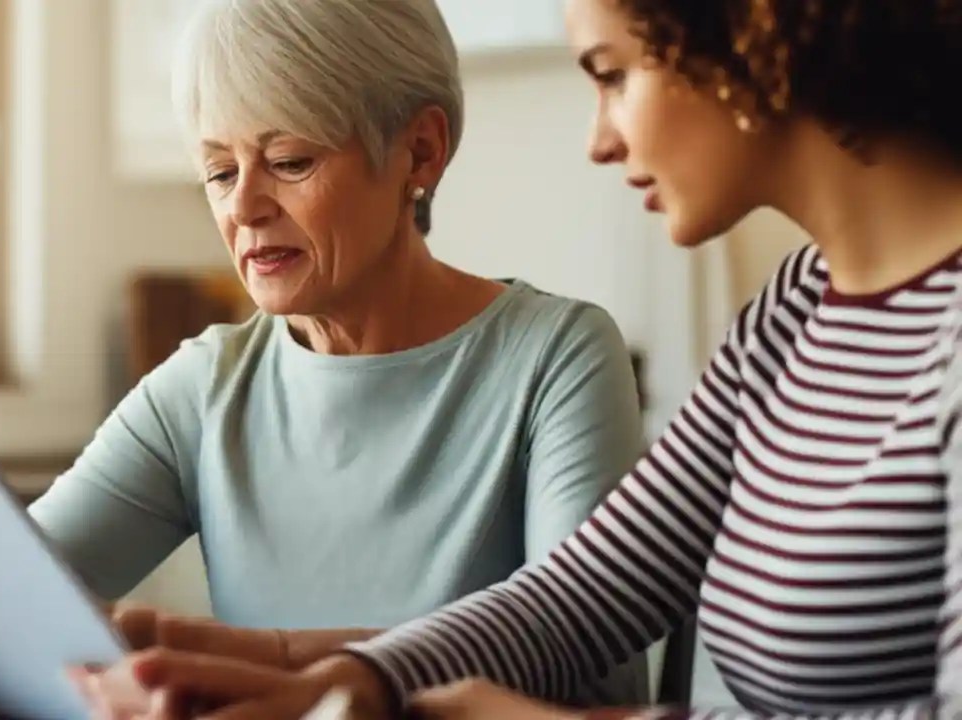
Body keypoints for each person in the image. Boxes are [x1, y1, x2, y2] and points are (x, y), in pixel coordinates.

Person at [75, 0, 962, 717]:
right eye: (221, 170)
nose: (600, 140)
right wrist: (340, 682)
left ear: (751, 33)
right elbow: (581, 597)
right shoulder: (796, 308)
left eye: (614, 76)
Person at [0, 0, 653, 715]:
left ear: (421, 151)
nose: (243, 206)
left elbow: (582, 666)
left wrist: (275, 667)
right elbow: (13, 605)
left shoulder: (557, 357)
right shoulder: (203, 388)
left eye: (291, 161)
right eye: (220, 170)